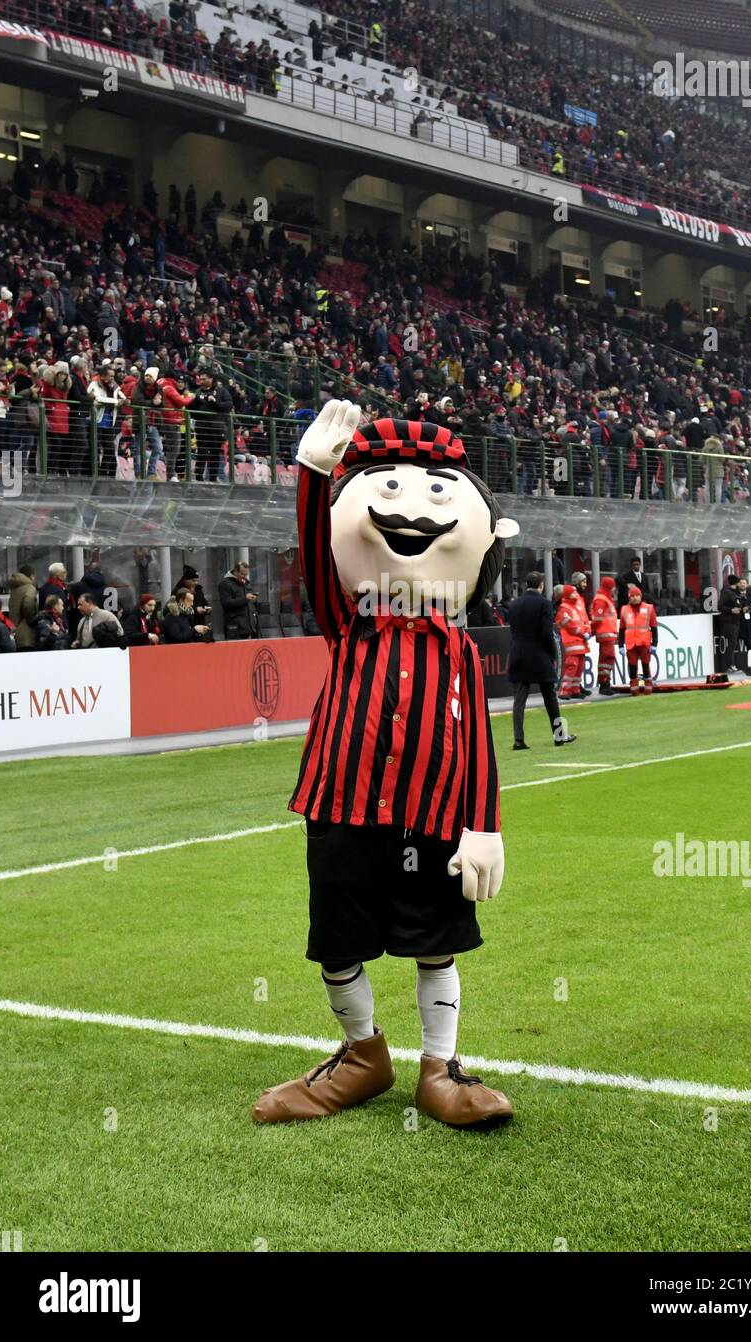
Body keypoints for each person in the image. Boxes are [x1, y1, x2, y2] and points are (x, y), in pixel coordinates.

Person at [253, 404, 520, 1130]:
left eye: (437, 490)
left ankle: (440, 1066)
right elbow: (314, 554)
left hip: (432, 816)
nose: (411, 509)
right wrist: (312, 475)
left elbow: (478, 749)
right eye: (387, 487)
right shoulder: (349, 623)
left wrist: (483, 827)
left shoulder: (461, 649)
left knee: (435, 941)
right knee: (337, 942)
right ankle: (361, 1055)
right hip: (340, 803)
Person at [507, 571, 575, 751]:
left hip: (518, 654)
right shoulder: (544, 603)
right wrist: (552, 654)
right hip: (539, 655)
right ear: (541, 585)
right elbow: (546, 633)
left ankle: (518, 740)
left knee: (519, 700)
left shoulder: (514, 604)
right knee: (550, 697)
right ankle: (559, 736)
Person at [555, 584, 591, 700]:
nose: (576, 594)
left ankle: (575, 690)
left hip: (580, 642)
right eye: (573, 592)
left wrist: (588, 631)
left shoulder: (576, 606)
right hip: (572, 642)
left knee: (579, 667)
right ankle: (564, 691)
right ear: (567, 594)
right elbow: (570, 625)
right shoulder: (564, 608)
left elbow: (584, 621)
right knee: (572, 666)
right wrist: (583, 632)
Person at [619, 584, 658, 694]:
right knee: (632, 666)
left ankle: (648, 686)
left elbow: (654, 627)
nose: (635, 598)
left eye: (637, 595)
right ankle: (634, 688)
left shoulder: (649, 608)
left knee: (646, 665)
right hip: (631, 643)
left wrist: (655, 643)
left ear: (641, 596)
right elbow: (621, 629)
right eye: (632, 596)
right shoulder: (624, 610)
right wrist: (621, 645)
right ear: (629, 597)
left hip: (644, 642)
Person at [591, 574, 619, 695]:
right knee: (607, 658)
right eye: (612, 587)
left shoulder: (606, 598)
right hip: (605, 634)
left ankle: (606, 682)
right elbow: (598, 618)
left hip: (608, 634)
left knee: (607, 659)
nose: (614, 589)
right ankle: (604, 683)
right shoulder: (602, 599)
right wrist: (592, 630)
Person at [219, 561, 259, 639]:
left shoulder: (246, 582)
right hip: (235, 627)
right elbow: (226, 603)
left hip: (250, 626)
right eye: (242, 574)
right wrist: (245, 599)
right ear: (235, 571)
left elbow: (248, 601)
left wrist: (253, 599)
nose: (244, 576)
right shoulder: (225, 584)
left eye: (246, 574)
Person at [717, 574, 744, 673]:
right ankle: (729, 665)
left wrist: (742, 609)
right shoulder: (726, 592)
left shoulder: (735, 592)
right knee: (731, 644)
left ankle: (732, 665)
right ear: (736, 582)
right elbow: (719, 606)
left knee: (733, 643)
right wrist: (731, 610)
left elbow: (737, 604)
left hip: (735, 621)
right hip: (729, 622)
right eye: (739, 582)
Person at [8, 564, 38, 650]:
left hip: (15, 631)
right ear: (32, 576)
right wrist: (32, 620)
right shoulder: (30, 588)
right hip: (26, 634)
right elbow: (28, 605)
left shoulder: (15, 589)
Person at [737, 576, 751, 675]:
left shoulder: (750, 594)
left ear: (747, 585)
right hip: (740, 623)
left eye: (744, 583)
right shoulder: (735, 595)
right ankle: (739, 666)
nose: (742, 584)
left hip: (750, 625)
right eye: (741, 583)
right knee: (738, 646)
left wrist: (749, 609)